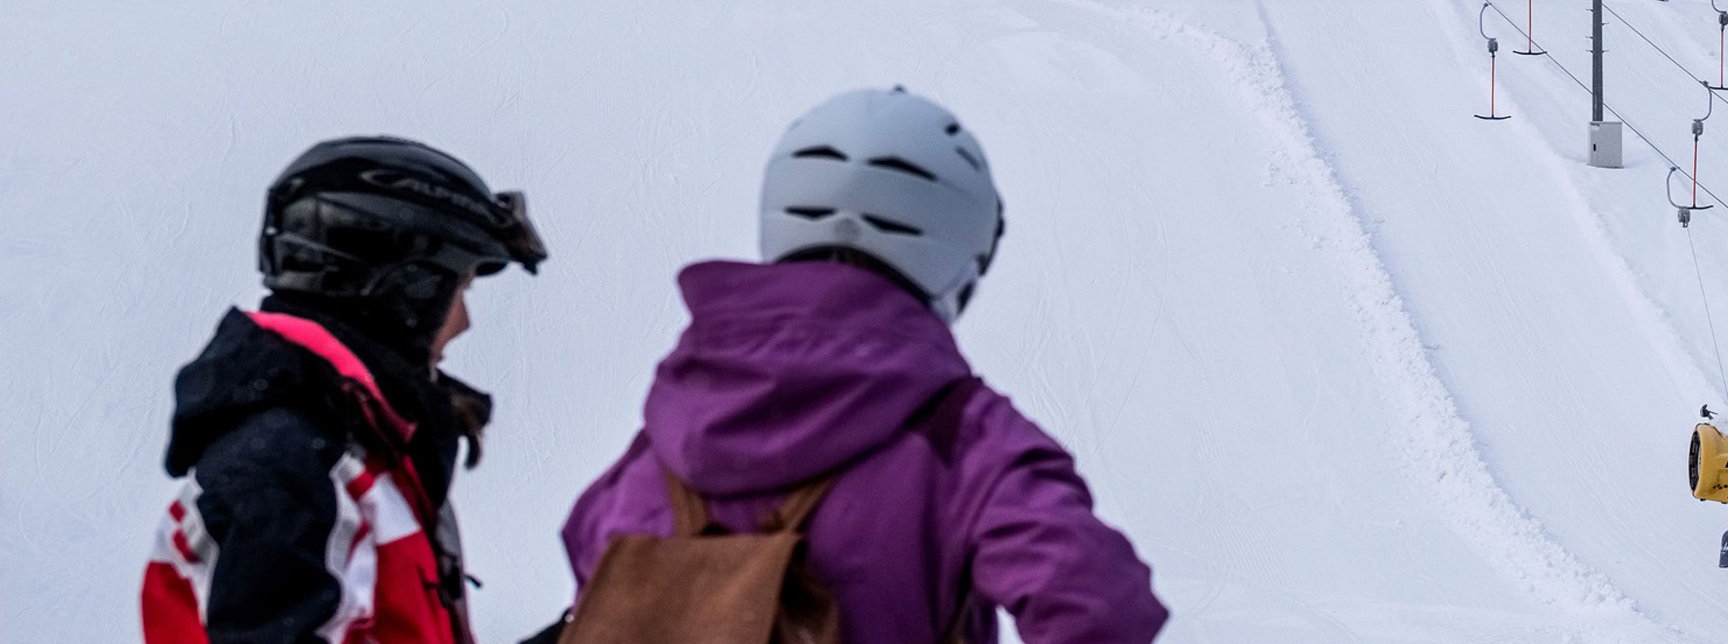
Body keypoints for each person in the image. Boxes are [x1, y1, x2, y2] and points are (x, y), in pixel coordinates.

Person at [556, 89, 1165, 644]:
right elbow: (1100, 605)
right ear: (959, 247)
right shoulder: (961, 437)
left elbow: (587, 554)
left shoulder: (664, 438)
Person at [143, 137, 548, 644]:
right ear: (406, 289)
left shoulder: (357, 457)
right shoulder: (282, 471)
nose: (464, 324)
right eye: (460, 290)